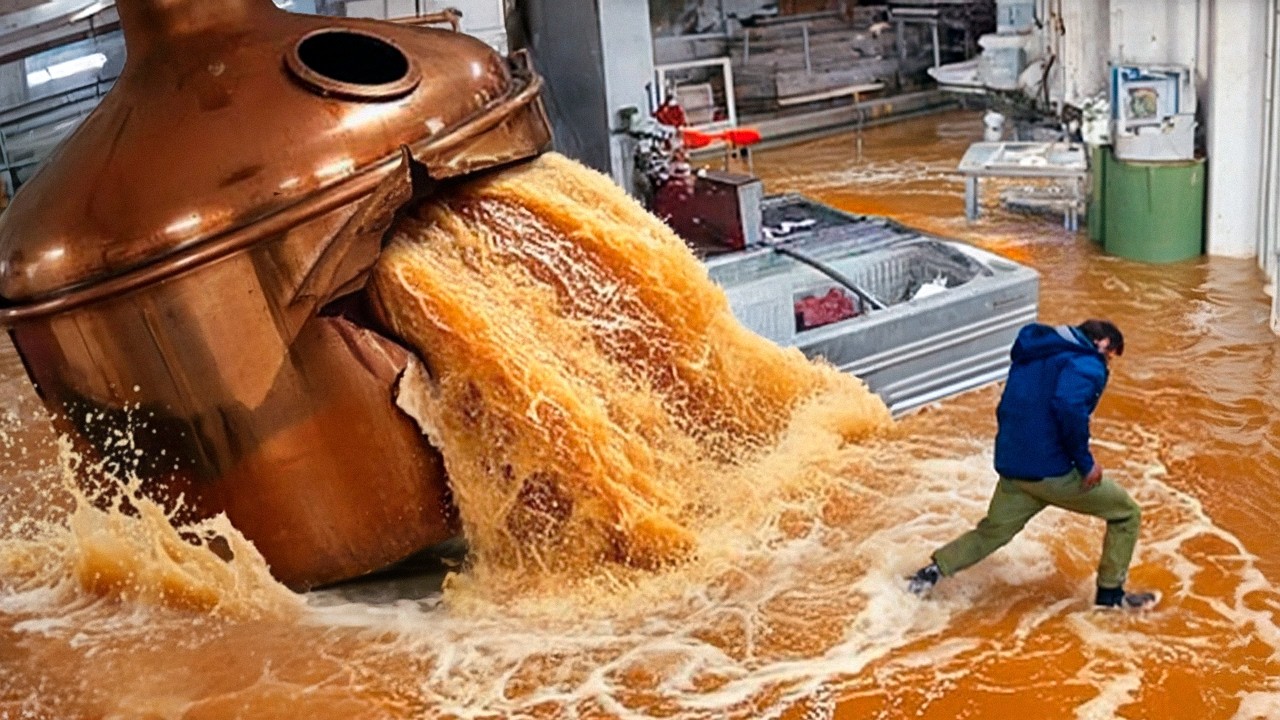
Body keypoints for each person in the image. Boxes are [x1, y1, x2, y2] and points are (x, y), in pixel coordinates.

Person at [908, 320, 1156, 609]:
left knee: (993, 531)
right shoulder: (1087, 363)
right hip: (1052, 473)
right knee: (1126, 513)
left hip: (1014, 467)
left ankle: (930, 573)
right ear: (1102, 343)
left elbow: (1008, 406)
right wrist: (1085, 463)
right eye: (1111, 355)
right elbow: (1069, 407)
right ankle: (1110, 598)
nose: (1109, 362)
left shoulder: (1035, 353)